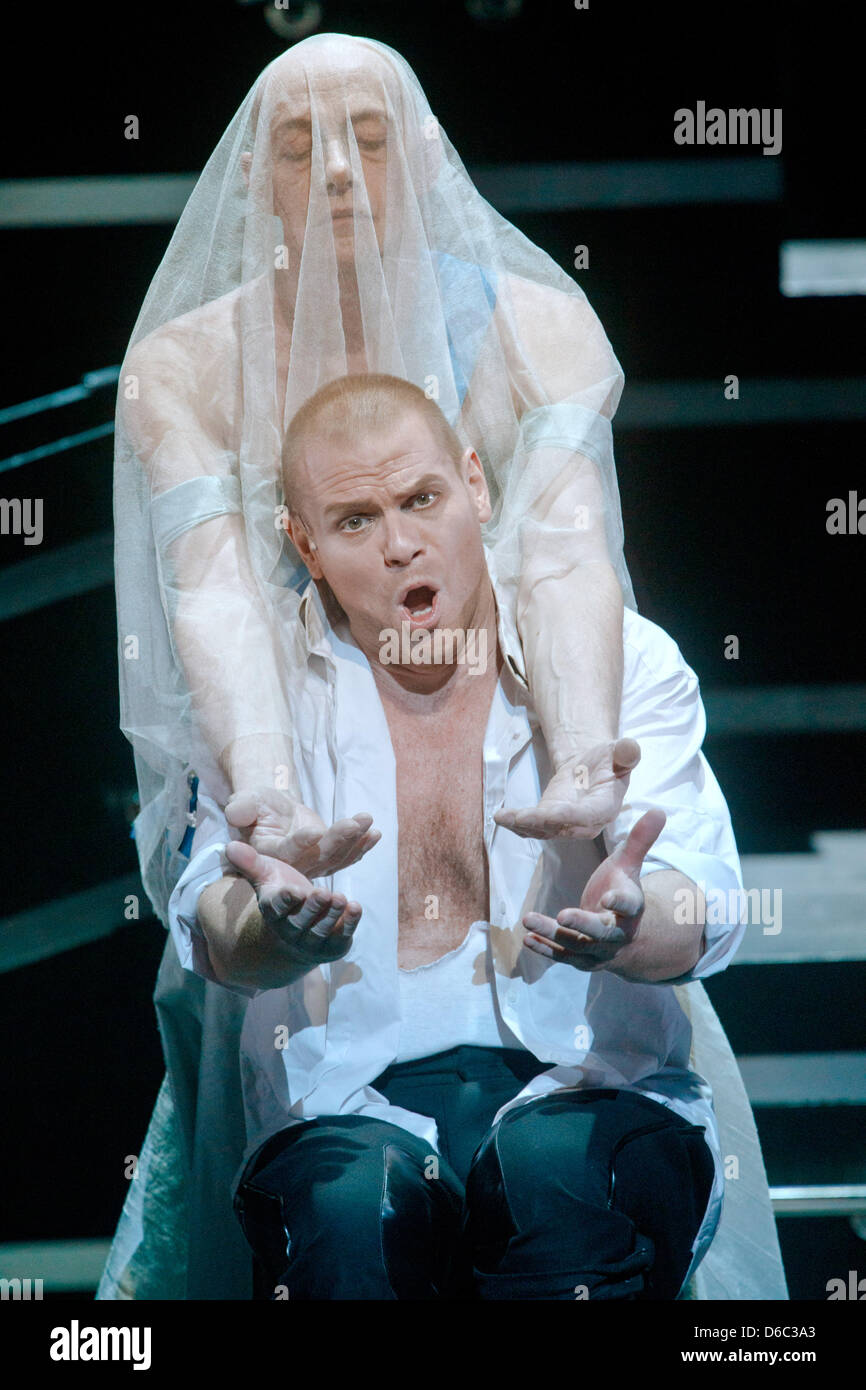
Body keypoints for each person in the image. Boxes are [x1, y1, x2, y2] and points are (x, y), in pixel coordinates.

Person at [160, 371, 742, 1299]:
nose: (400, 544)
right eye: (354, 522)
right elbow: (212, 927)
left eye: (422, 499)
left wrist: (636, 930)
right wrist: (272, 929)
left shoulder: (620, 662)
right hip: (352, 1105)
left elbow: (703, 904)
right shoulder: (262, 701)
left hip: (590, 1084)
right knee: (351, 1216)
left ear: (475, 485)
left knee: (560, 1183)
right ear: (304, 545)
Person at [114, 32, 639, 940]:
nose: (337, 172)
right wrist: (272, 789)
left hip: (508, 724)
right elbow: (213, 585)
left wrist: (586, 753)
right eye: (297, 147)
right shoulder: (182, 367)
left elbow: (564, 554)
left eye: (369, 136)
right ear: (249, 173)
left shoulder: (544, 327)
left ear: (424, 152)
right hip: (289, 724)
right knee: (278, 969)